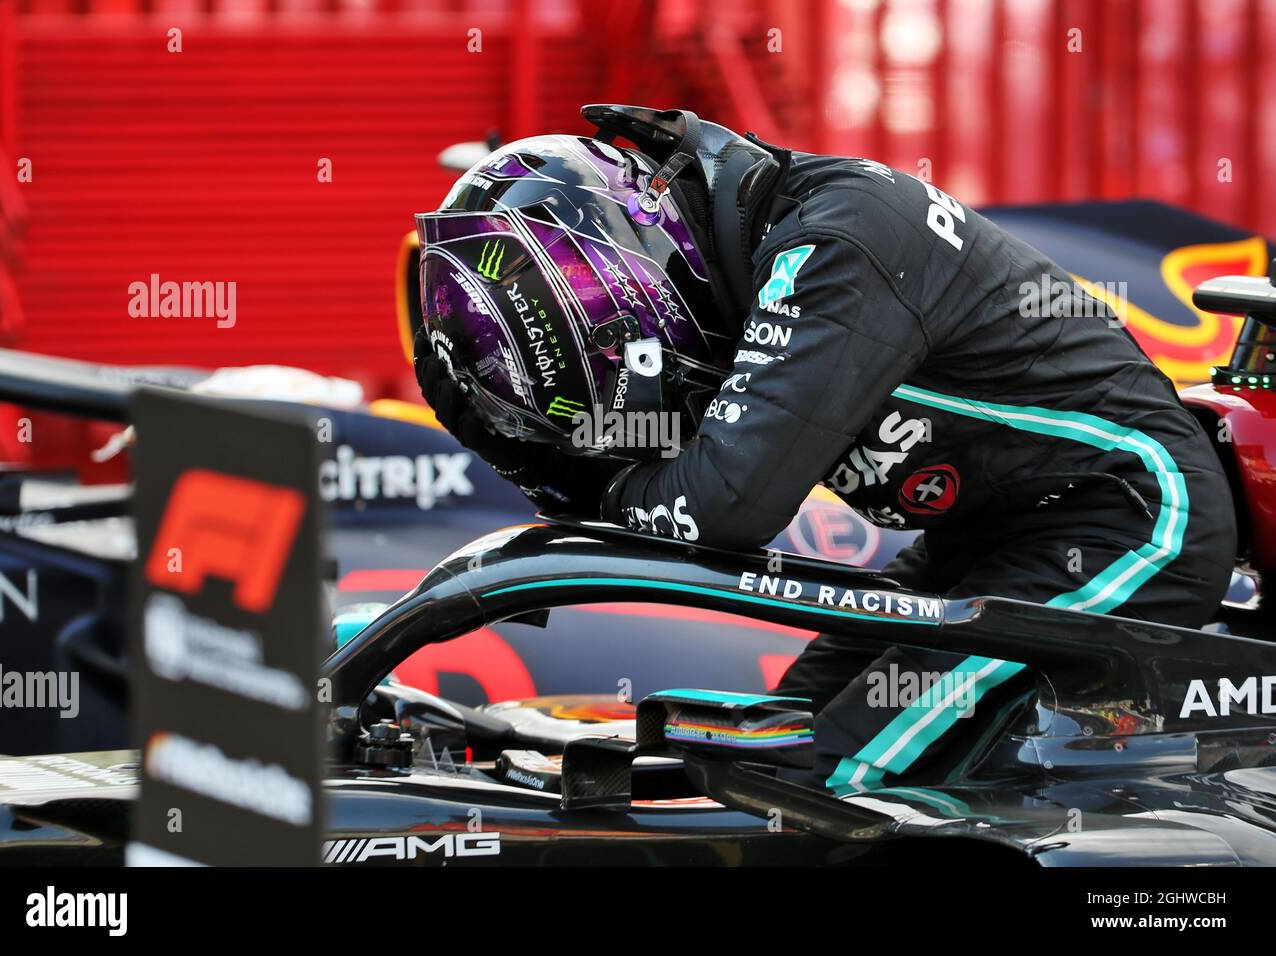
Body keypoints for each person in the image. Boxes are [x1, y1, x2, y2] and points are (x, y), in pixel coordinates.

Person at [407, 105, 1237, 793]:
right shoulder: (742, 249)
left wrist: (589, 486)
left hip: (1132, 518)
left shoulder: (835, 240)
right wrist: (492, 417)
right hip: (989, 543)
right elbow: (632, 486)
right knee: (755, 763)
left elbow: (720, 507)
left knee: (835, 785)